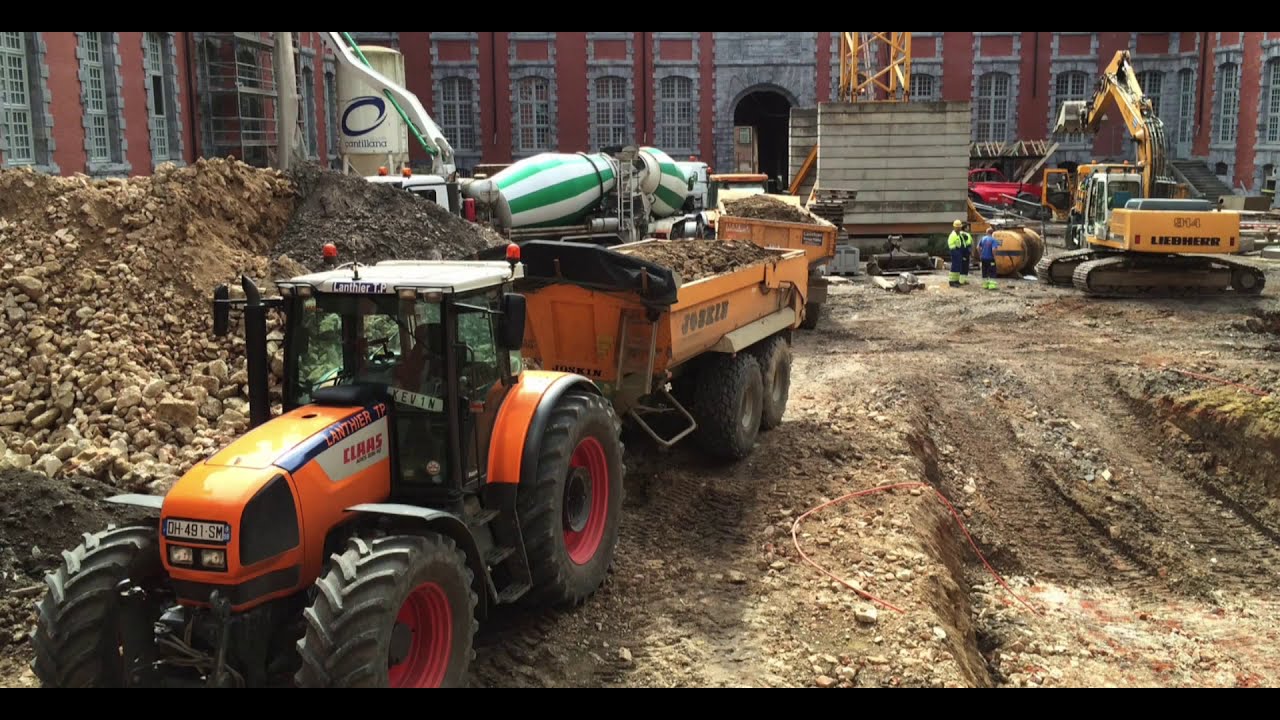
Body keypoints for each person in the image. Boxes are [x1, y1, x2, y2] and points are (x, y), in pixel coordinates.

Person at [947, 219, 973, 287]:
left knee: (958, 266)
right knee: (955, 266)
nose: (959, 228)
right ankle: (952, 281)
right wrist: (956, 250)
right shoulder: (953, 235)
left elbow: (964, 239)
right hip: (954, 251)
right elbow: (951, 244)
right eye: (957, 227)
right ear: (954, 227)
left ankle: (956, 280)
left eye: (959, 227)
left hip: (958, 251)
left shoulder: (959, 234)